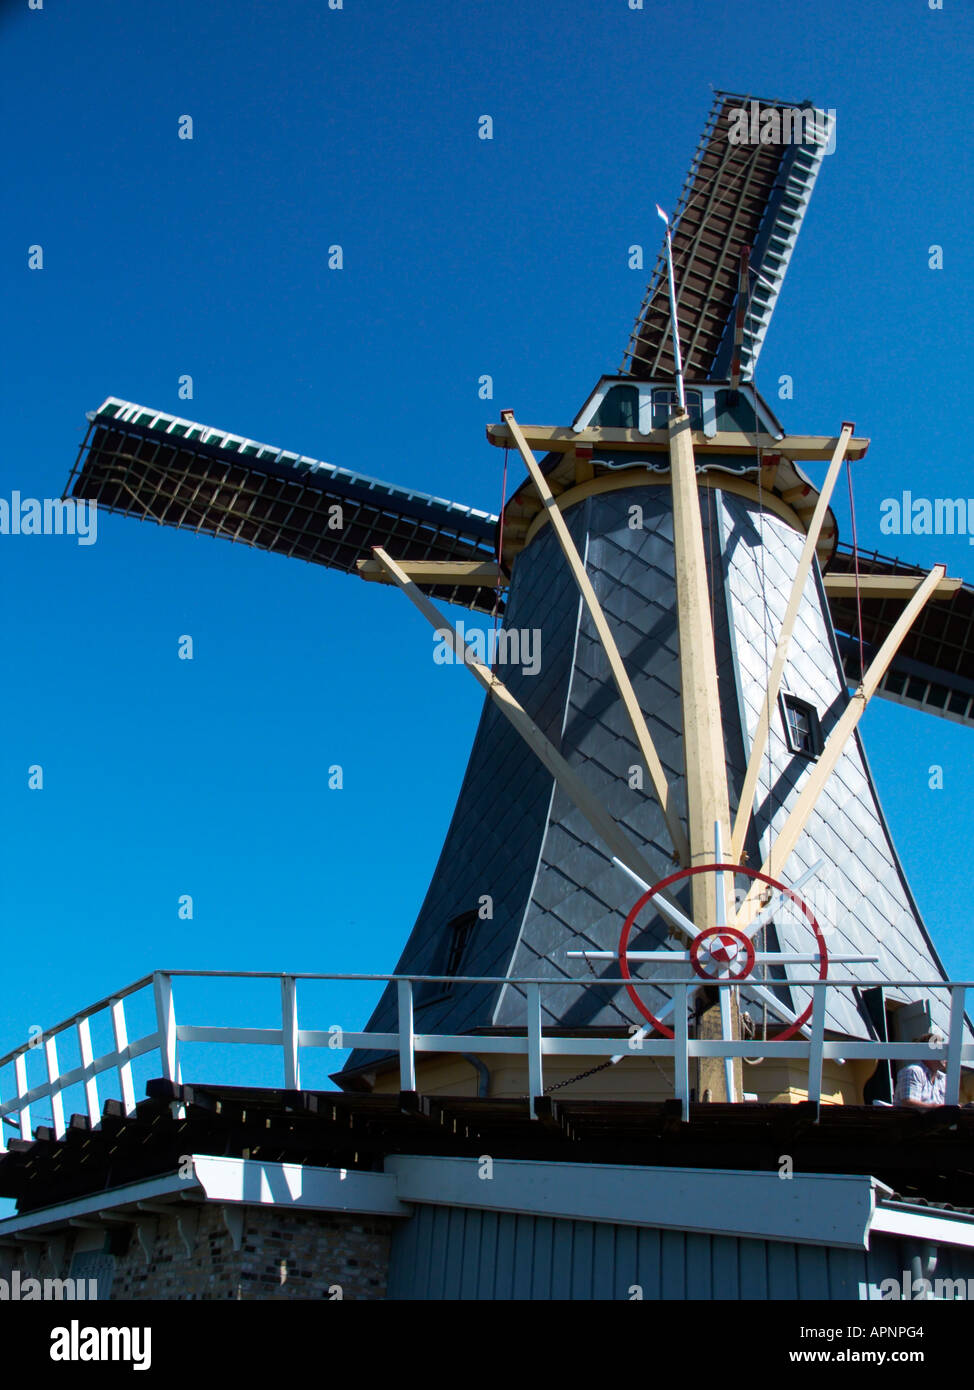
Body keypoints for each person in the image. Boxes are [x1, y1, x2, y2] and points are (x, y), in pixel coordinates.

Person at [893, 1033, 947, 1109]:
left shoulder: (943, 1078)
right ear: (928, 1053)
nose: (946, 1054)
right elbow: (908, 1103)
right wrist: (938, 1108)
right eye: (941, 1050)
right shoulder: (913, 1071)